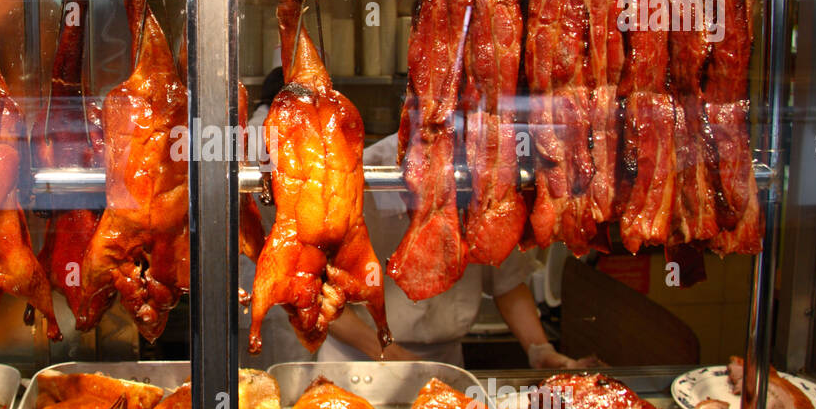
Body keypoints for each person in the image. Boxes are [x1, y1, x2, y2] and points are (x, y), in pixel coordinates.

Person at [249, 129, 599, 369]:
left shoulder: (477, 172)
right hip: (360, 364)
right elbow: (322, 292)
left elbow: (506, 284)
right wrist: (387, 352)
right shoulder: (367, 172)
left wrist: (539, 349)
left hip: (444, 362)